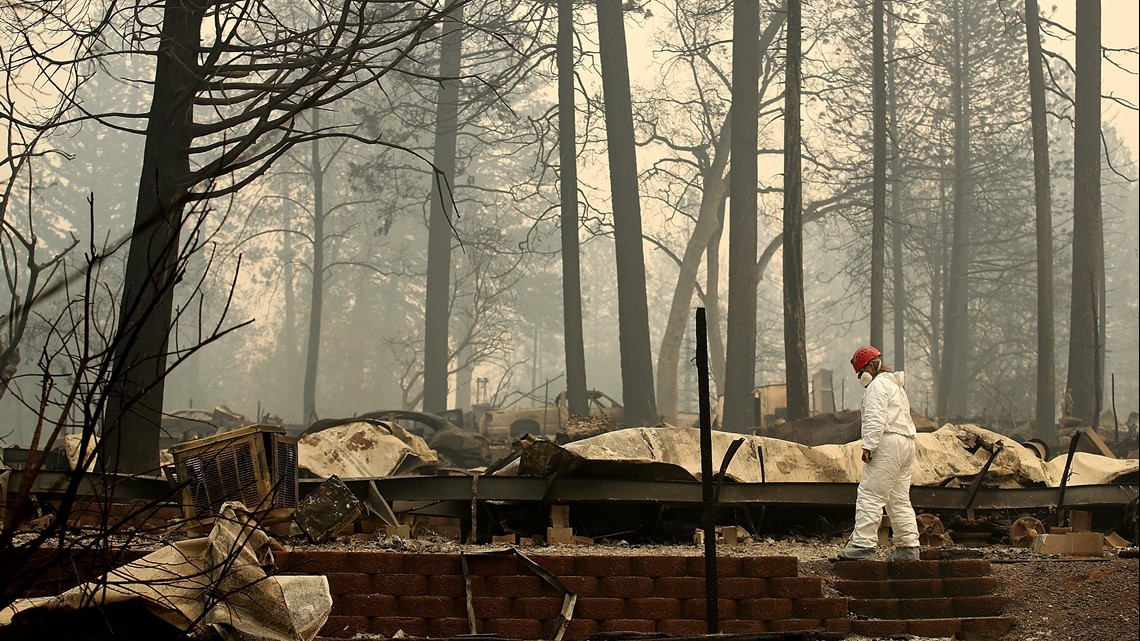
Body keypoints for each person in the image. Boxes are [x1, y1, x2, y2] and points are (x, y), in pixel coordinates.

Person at [837, 345, 921, 561]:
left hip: (888, 444)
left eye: (860, 372)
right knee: (898, 499)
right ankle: (909, 547)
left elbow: (876, 419)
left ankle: (863, 546)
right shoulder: (895, 386)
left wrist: (869, 446)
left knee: (870, 494)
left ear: (871, 367)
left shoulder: (876, 386)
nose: (859, 377)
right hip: (907, 443)